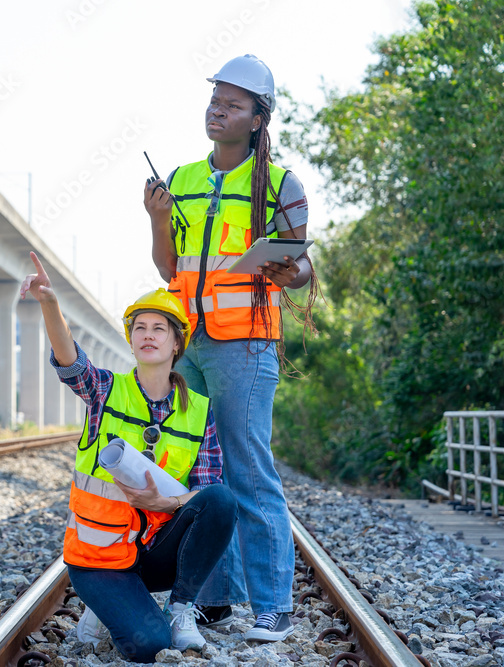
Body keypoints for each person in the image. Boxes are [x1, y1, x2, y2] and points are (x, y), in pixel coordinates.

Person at [142, 53, 318, 643]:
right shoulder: (184, 178)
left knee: (248, 472)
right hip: (189, 344)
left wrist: (287, 271)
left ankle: (272, 606)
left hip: (246, 347)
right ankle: (213, 598)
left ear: (258, 119)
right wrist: (157, 218)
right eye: (215, 99)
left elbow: (302, 266)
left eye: (232, 104)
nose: (218, 110)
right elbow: (168, 265)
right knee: (194, 467)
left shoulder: (280, 185)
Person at [19, 251, 238, 662]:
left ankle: (181, 610)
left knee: (223, 501)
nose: (148, 334)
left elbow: (208, 494)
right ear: (131, 338)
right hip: (98, 557)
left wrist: (165, 503)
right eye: (140, 327)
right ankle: (103, 605)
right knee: (150, 647)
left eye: (160, 328)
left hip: (154, 552)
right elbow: (71, 362)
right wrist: (50, 304)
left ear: (177, 343)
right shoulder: (105, 390)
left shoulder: (200, 411)